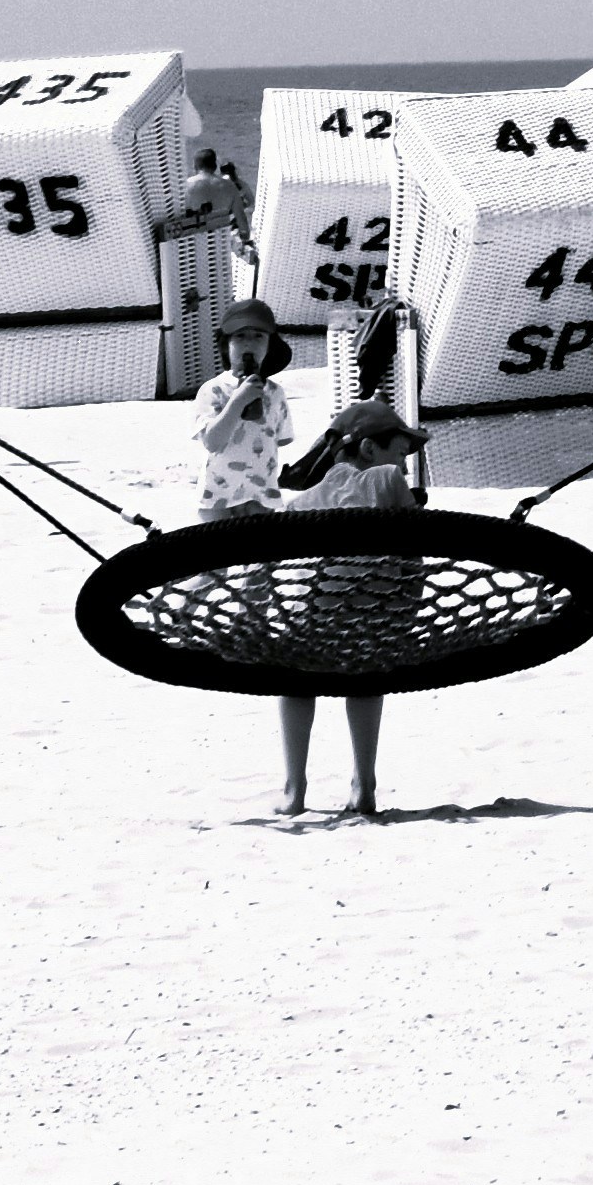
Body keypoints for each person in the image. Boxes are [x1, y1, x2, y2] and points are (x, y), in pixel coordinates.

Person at [272, 392, 426, 817]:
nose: (404, 464)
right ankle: (364, 782)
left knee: (295, 683)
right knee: (365, 681)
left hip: (312, 621)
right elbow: (415, 553)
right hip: (373, 619)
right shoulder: (388, 481)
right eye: (400, 452)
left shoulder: (303, 501)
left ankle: (294, 787)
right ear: (368, 448)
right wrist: (409, 606)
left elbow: (289, 569)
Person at [192, 304, 296, 520]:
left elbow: (282, 439)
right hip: (217, 494)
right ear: (226, 345)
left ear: (270, 346)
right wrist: (238, 401)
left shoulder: (275, 393)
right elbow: (212, 442)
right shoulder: (213, 390)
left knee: (258, 553)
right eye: (240, 336)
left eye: (258, 336)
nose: (249, 342)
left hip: (260, 494)